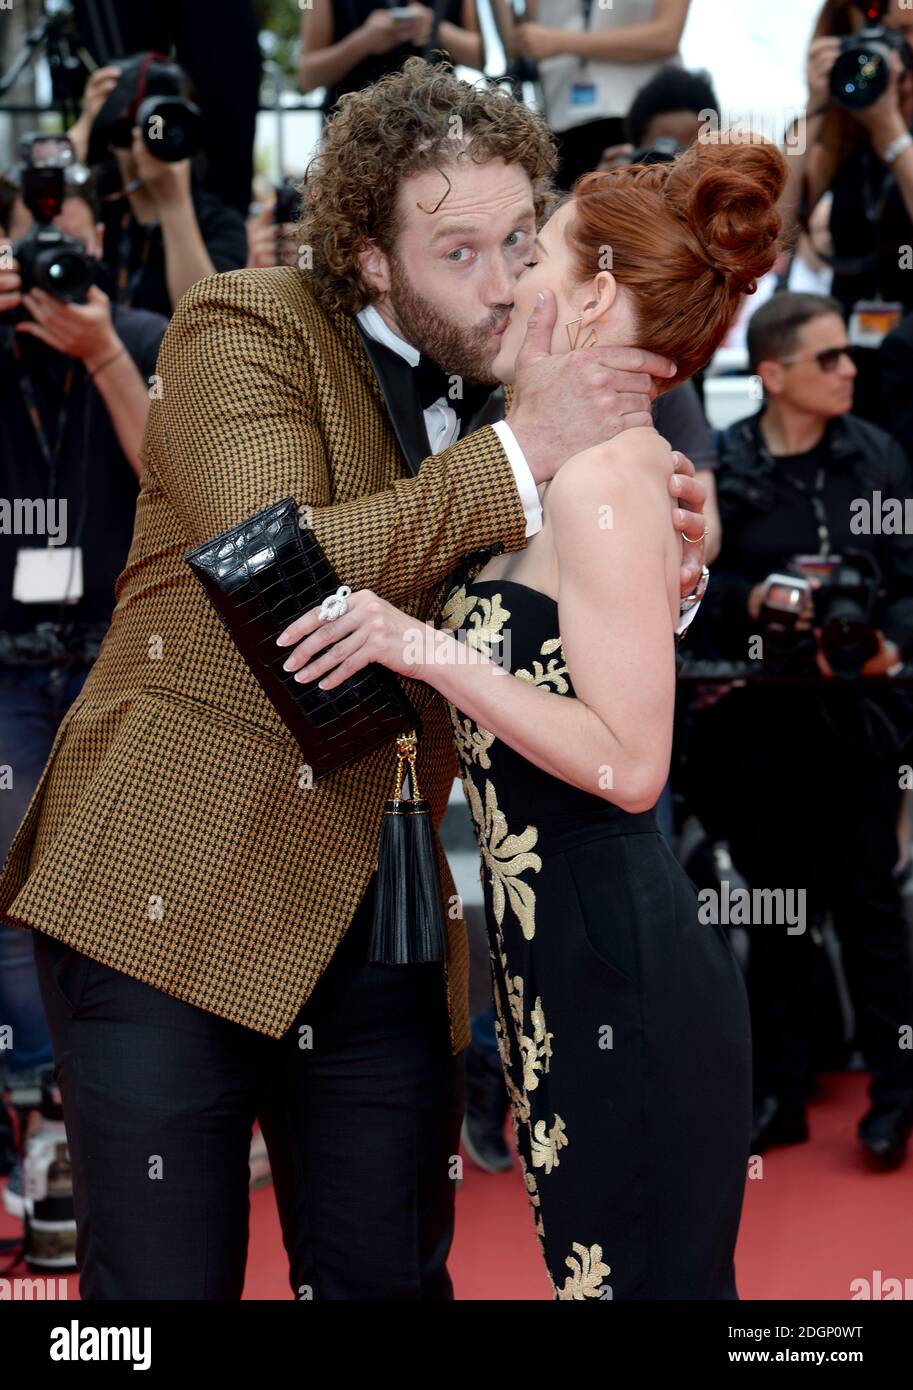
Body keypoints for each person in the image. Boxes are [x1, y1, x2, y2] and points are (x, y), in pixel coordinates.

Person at [0, 60, 709, 1301]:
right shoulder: (246, 322)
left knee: (389, 1280)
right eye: (456, 252)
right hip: (172, 884)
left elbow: (550, 617)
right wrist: (520, 457)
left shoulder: (519, 376)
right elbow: (270, 563)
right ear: (372, 260)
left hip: (381, 913)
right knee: (157, 1293)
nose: (501, 286)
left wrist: (661, 559)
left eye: (515, 241)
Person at [275, 122, 787, 1296]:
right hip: (557, 963)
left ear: (597, 293)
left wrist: (424, 647)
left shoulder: (609, 478)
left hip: (617, 964)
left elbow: (633, 765)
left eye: (537, 255)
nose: (507, 286)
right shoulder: (584, 470)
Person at [687, 291, 913, 1164]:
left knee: (868, 906)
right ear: (773, 375)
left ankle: (893, 1100)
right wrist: (754, 600)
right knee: (778, 909)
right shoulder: (726, 471)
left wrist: (885, 646)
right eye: (828, 359)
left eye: (849, 355)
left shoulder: (878, 457)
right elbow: (694, 600)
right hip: (756, 717)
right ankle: (779, 1092)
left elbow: (906, 580)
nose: (849, 368)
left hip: (857, 716)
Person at [0, 167, 166, 1223]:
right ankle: (45, 1111)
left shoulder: (146, 335)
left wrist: (103, 353)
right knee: (13, 879)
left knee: (132, 885)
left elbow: (182, 477)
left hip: (125, 651)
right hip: (10, 658)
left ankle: (134, 1113)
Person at [779, 0, 913, 427]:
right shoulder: (840, 125)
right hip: (850, 359)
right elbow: (772, 228)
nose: (889, 57)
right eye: (869, 41)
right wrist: (816, 106)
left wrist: (891, 133)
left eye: (905, 36)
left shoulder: (882, 126)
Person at [66, 62, 248, 318]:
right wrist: (85, 127)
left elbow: (209, 322)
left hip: (177, 357)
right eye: (138, 118)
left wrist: (174, 203)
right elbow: (16, 228)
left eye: (169, 122)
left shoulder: (220, 222)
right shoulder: (92, 205)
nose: (155, 132)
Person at [501, 0, 690, 190]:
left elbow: (666, 36)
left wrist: (562, 42)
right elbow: (522, 39)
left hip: (639, 122)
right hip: (561, 125)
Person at [298, 0, 485, 110]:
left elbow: (484, 57)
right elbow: (307, 75)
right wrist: (363, 42)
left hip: (436, 122)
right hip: (355, 131)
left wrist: (437, 29)